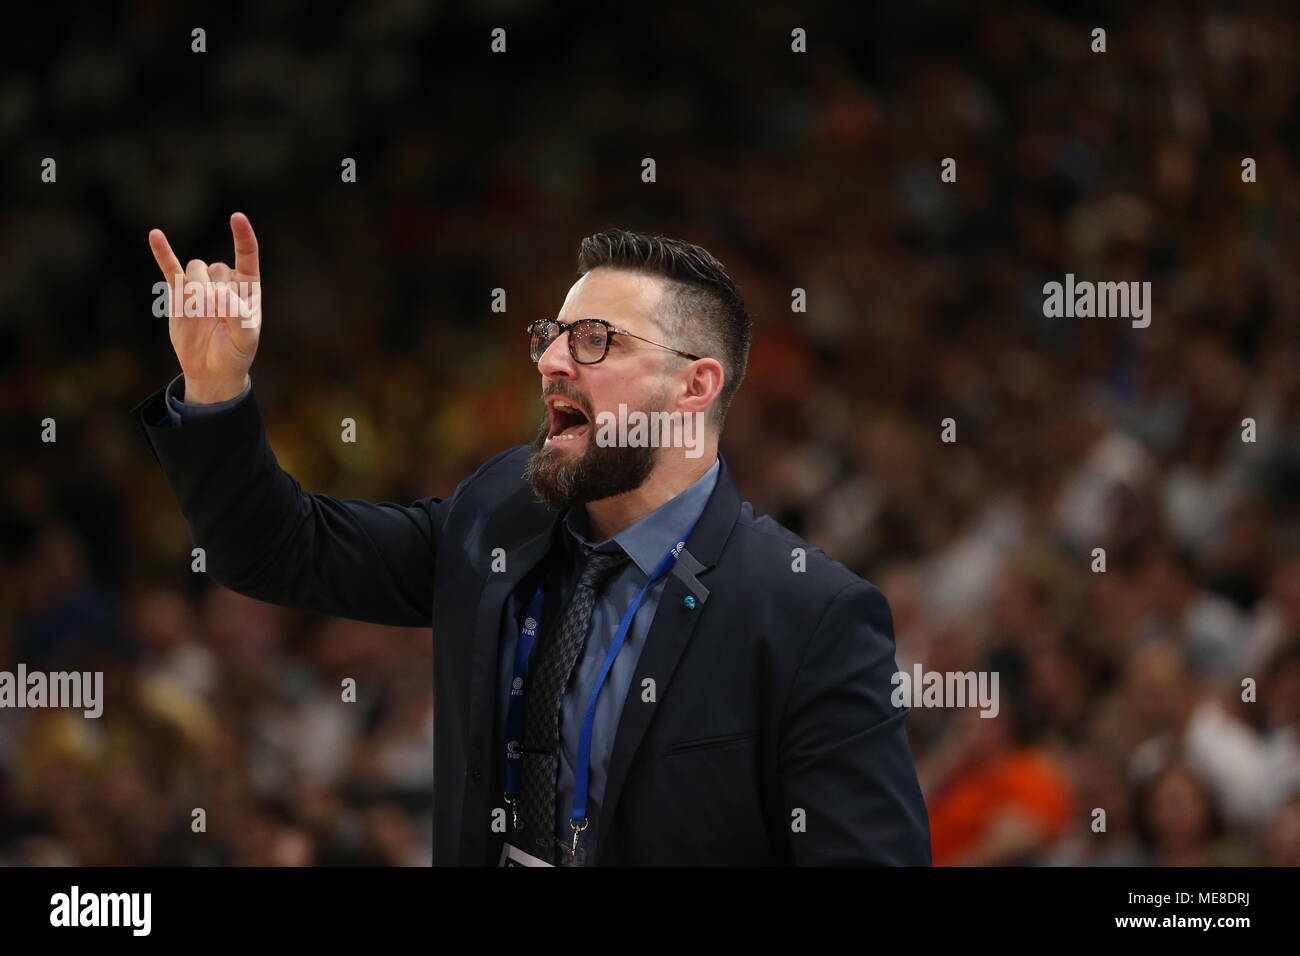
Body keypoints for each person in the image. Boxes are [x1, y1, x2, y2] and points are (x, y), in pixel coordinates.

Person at [132, 212, 932, 866]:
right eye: (552, 335)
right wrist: (216, 389)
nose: (550, 359)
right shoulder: (499, 515)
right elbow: (279, 548)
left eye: (595, 340)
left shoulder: (809, 614)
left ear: (694, 386)